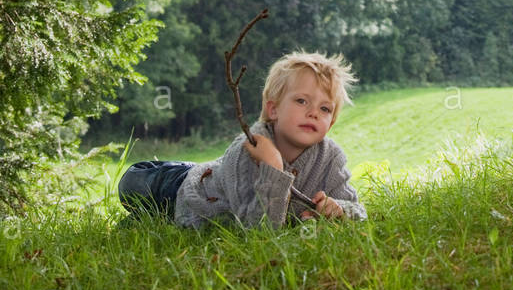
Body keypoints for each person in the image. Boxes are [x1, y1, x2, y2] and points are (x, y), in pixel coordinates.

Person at [117, 51, 366, 228]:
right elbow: (257, 228)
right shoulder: (250, 149)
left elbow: (358, 211)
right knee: (131, 184)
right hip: (186, 190)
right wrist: (273, 166)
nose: (313, 112)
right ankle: (173, 178)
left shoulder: (330, 158)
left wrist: (340, 210)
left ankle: (144, 215)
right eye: (302, 101)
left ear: (331, 122)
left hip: (220, 177)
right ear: (273, 109)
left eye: (325, 109)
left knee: (145, 217)